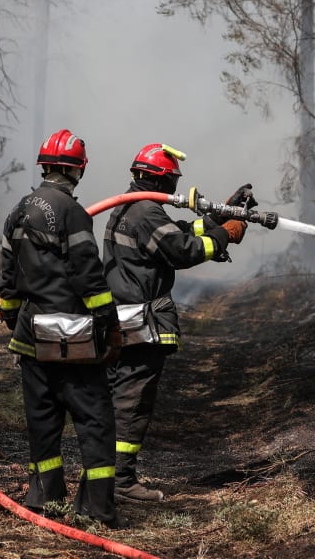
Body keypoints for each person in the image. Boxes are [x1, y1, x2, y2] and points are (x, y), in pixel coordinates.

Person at [102, 142, 253, 503]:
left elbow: (176, 233)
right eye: (172, 181)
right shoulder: (146, 213)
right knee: (131, 401)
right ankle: (120, 483)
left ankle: (106, 476)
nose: (173, 189)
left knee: (118, 397)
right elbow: (182, 250)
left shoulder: (129, 207)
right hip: (140, 323)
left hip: (121, 320)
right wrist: (224, 235)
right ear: (161, 179)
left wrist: (218, 217)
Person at [0, 129, 124, 528]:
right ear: (78, 171)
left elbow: (8, 282)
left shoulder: (18, 211)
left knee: (43, 421)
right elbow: (89, 277)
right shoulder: (72, 213)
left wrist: (18, 322)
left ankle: (44, 499)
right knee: (95, 420)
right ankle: (98, 509)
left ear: (45, 166)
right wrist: (110, 326)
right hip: (74, 341)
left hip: (32, 339)